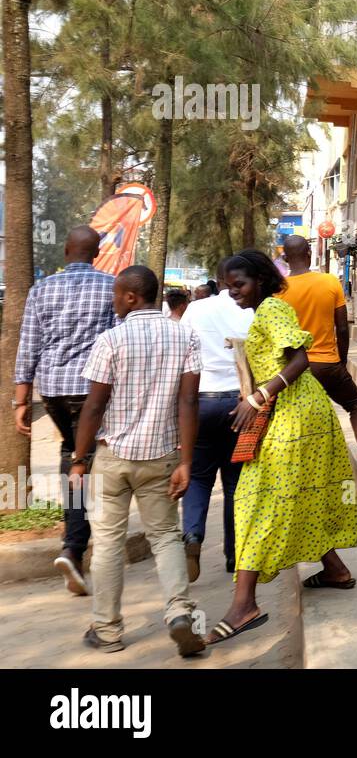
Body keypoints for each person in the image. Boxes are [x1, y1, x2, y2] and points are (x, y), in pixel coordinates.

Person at [205, 250, 357, 647]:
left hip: (295, 416)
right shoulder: (266, 312)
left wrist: (257, 398)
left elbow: (300, 359)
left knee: (255, 502)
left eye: (239, 284)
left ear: (260, 279)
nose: (232, 292)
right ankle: (335, 569)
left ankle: (244, 606)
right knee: (300, 494)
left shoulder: (273, 309)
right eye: (228, 286)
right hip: (298, 414)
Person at [68, 265, 206, 658]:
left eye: (115, 294)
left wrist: (79, 460)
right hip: (163, 456)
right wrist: (186, 461)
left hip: (113, 458)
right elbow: (188, 402)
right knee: (165, 537)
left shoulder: (110, 340)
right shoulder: (185, 336)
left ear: (131, 297)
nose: (113, 301)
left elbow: (94, 405)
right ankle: (179, 612)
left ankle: (108, 630)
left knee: (109, 542)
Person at [13, 224, 116, 595]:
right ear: (96, 253)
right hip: (92, 391)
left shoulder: (41, 289)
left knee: (72, 455)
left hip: (54, 391)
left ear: (65, 252)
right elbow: (117, 340)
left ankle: (75, 544)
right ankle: (78, 547)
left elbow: (28, 345)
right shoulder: (111, 286)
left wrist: (21, 400)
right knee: (88, 459)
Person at [278, 234, 357, 469]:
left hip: (292, 368)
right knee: (355, 403)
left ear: (285, 258)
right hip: (326, 363)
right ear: (309, 254)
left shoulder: (278, 291)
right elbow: (342, 328)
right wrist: (341, 361)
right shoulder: (329, 282)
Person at [179, 257, 253, 580]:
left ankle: (193, 535)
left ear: (219, 280)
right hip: (240, 403)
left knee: (197, 476)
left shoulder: (197, 309)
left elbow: (182, 349)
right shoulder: (250, 310)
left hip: (201, 401)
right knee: (236, 481)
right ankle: (234, 554)